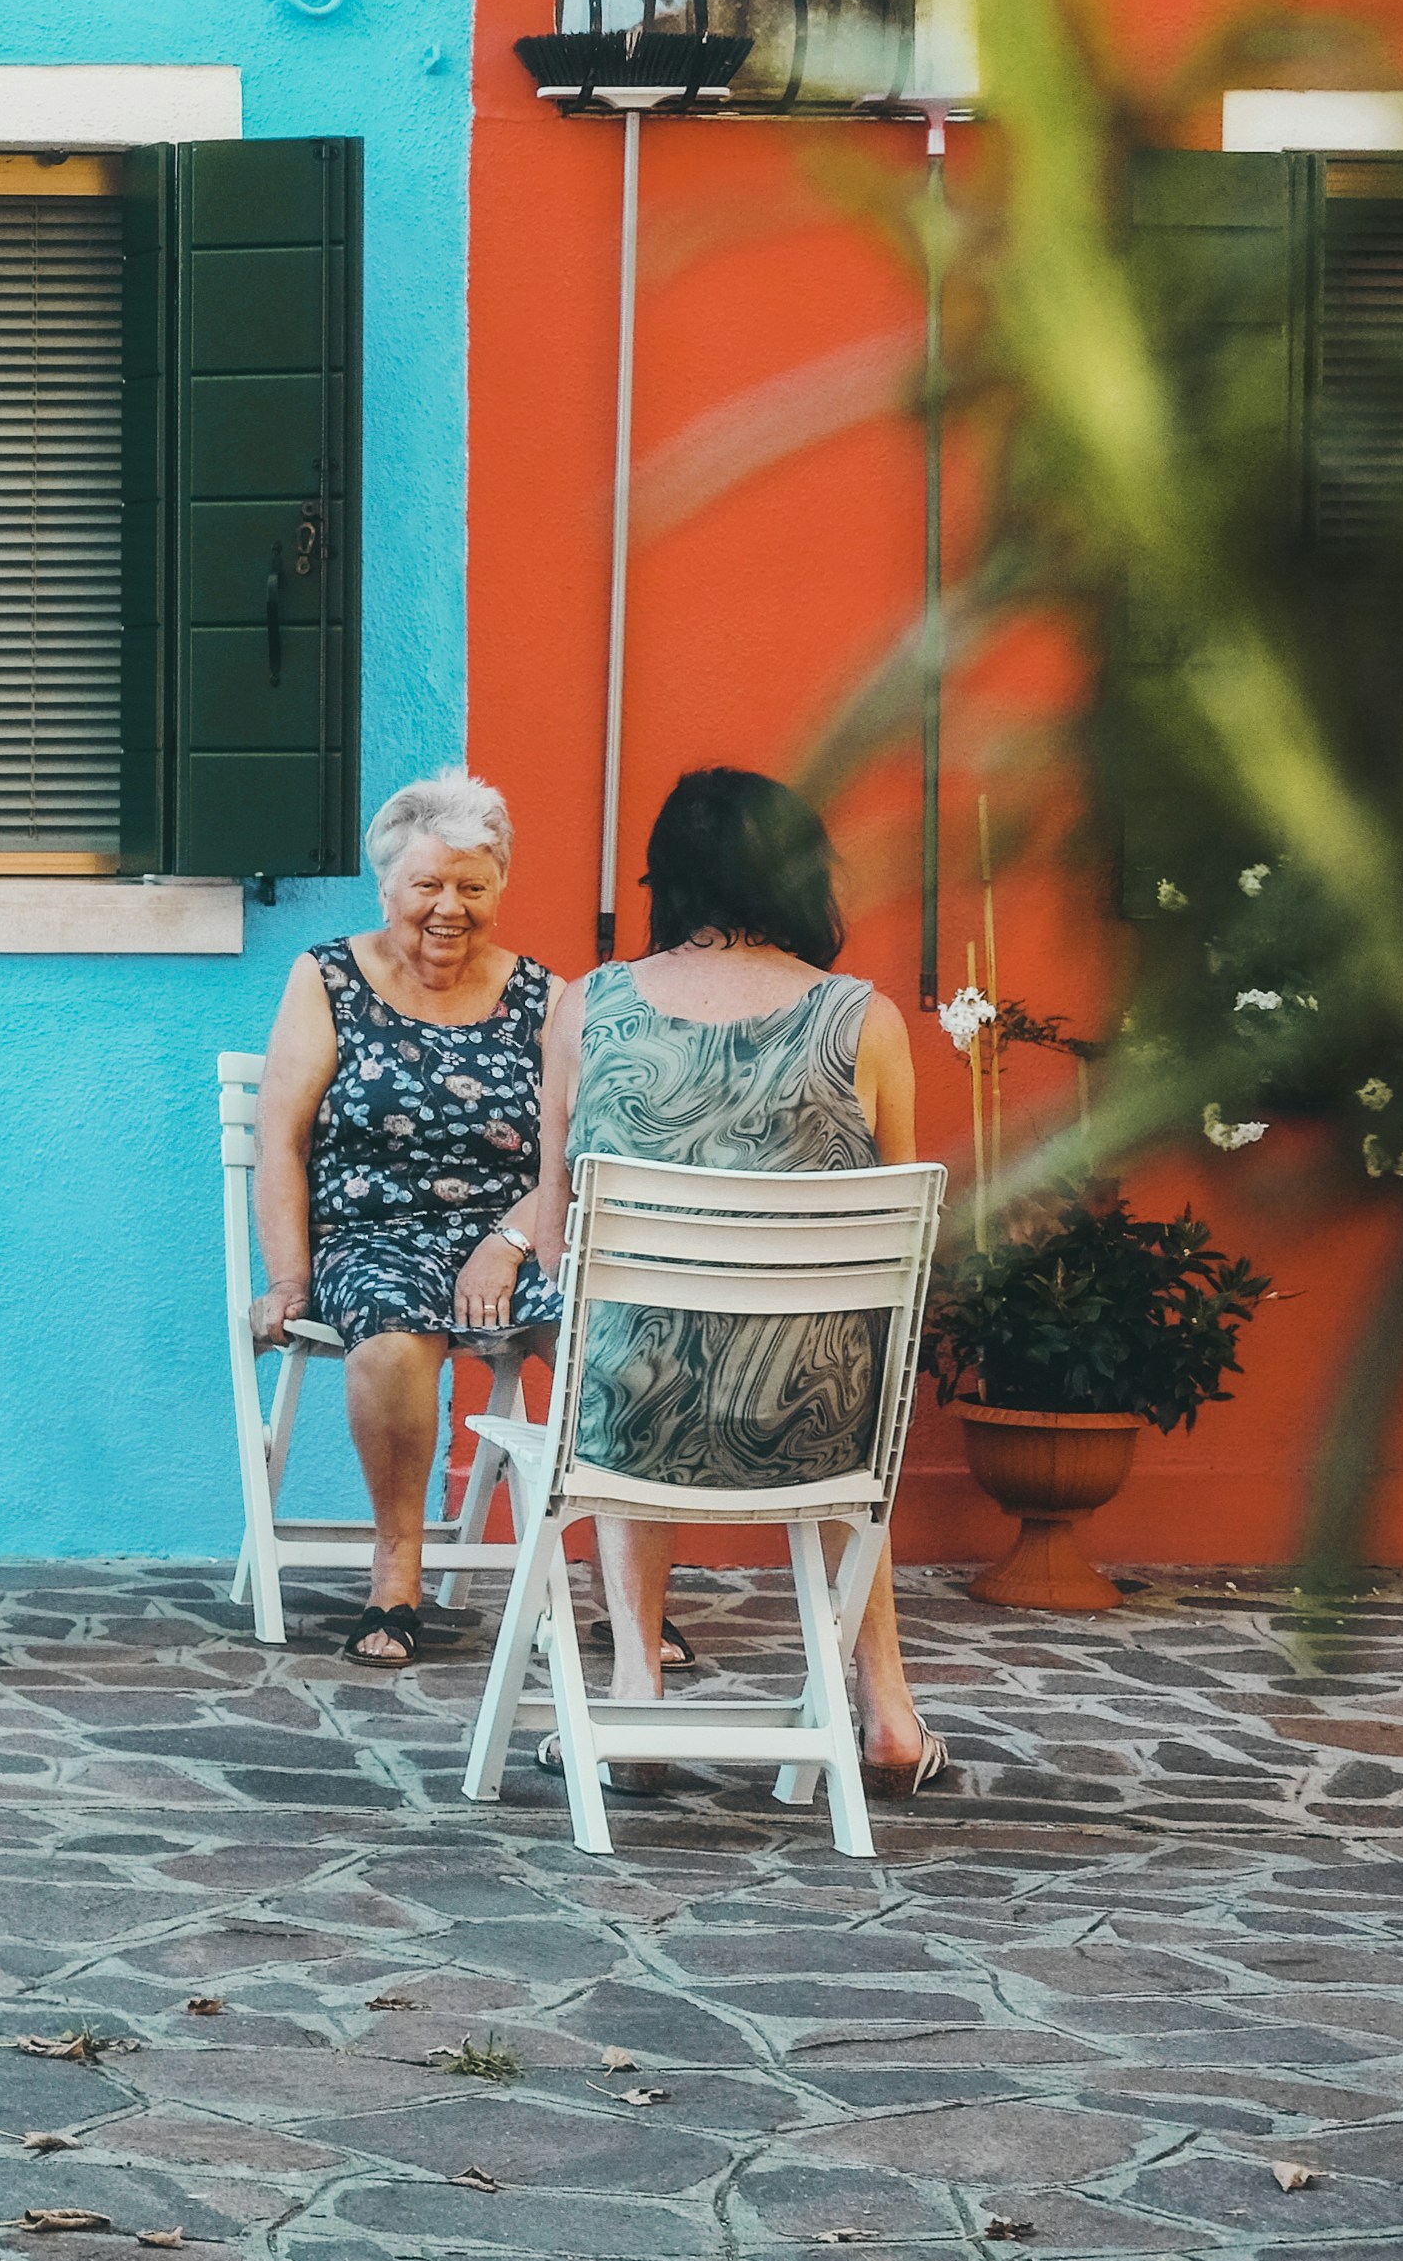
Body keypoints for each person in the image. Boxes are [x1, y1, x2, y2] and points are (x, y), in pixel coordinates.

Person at [562, 767, 942, 1794]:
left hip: (629, 1423)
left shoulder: (586, 1007)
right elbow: (901, 1242)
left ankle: (637, 1697)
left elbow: (554, 1206)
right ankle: (891, 1717)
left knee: (633, 1337)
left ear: (668, 880)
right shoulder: (862, 1020)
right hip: (815, 1430)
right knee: (829, 1354)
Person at [248, 768, 577, 1670]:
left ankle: (620, 1584)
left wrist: (506, 1246)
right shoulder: (327, 978)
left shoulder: (548, 996)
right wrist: (287, 1276)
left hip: (511, 1232)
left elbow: (572, 1153)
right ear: (387, 886)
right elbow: (282, 1140)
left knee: (614, 1332)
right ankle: (397, 1572)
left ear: (500, 890)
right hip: (369, 1233)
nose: (449, 907)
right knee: (395, 1341)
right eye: (428, 884)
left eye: (473, 886)